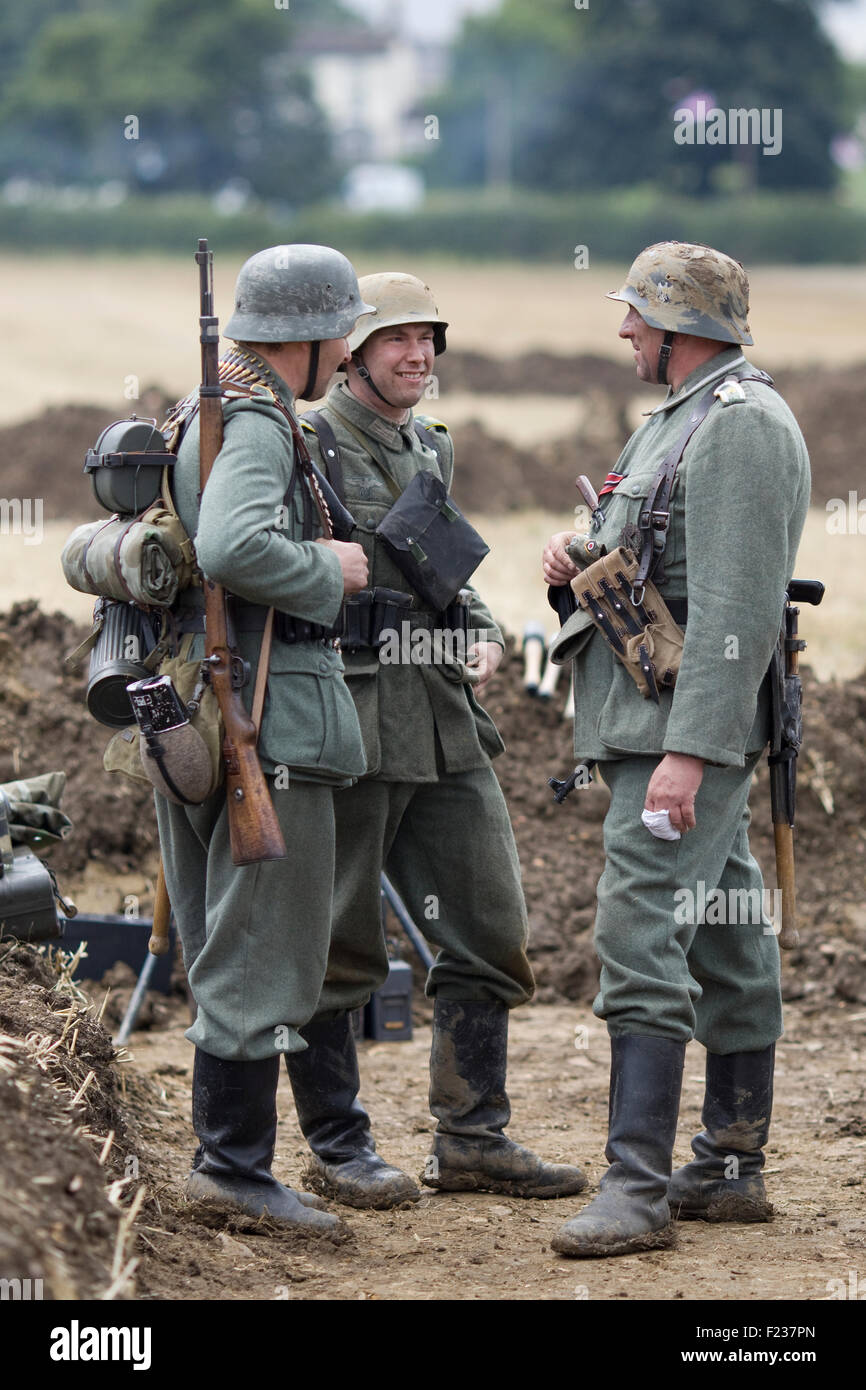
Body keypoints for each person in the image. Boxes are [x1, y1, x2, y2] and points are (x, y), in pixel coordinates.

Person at [288, 271, 588, 1208]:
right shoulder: (307, 445)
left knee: (490, 924)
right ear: (351, 353)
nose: (418, 355)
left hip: (443, 716)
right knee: (338, 940)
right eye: (397, 339)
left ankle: (472, 1138)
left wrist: (481, 627)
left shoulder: (430, 445)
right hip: (349, 717)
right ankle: (338, 1147)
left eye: (428, 339)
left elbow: (442, 570)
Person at [541, 241, 810, 1258]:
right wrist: (580, 556)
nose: (623, 329)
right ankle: (730, 1168)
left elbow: (737, 610)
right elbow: (660, 553)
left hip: (680, 730)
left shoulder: (740, 425)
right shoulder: (682, 416)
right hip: (649, 717)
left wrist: (691, 753)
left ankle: (635, 1188)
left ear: (681, 328)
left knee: (639, 925)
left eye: (638, 317)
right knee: (729, 935)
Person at [155, 244, 373, 1236]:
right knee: (260, 946)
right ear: (312, 337)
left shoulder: (202, 409)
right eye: (345, 333)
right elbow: (232, 545)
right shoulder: (254, 420)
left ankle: (231, 1162)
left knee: (230, 936)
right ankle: (233, 1171)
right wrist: (329, 568)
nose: (351, 351)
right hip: (266, 716)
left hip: (212, 706)